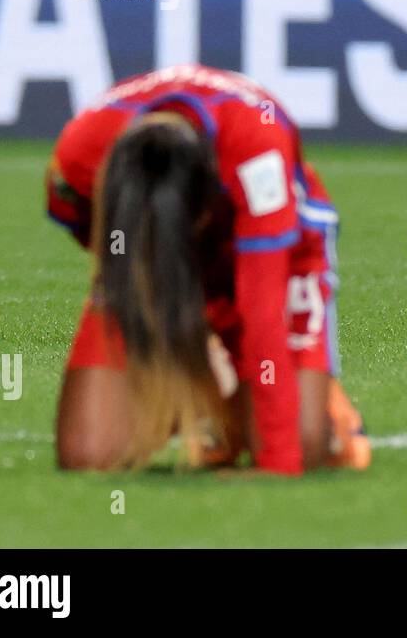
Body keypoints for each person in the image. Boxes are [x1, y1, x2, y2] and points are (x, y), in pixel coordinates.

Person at [48, 64, 369, 474]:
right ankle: (211, 389)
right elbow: (100, 251)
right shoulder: (79, 158)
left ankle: (322, 410)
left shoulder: (257, 150)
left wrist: (275, 466)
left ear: (205, 214)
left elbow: (263, 311)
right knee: (87, 456)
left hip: (275, 254)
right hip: (140, 259)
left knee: (300, 446)